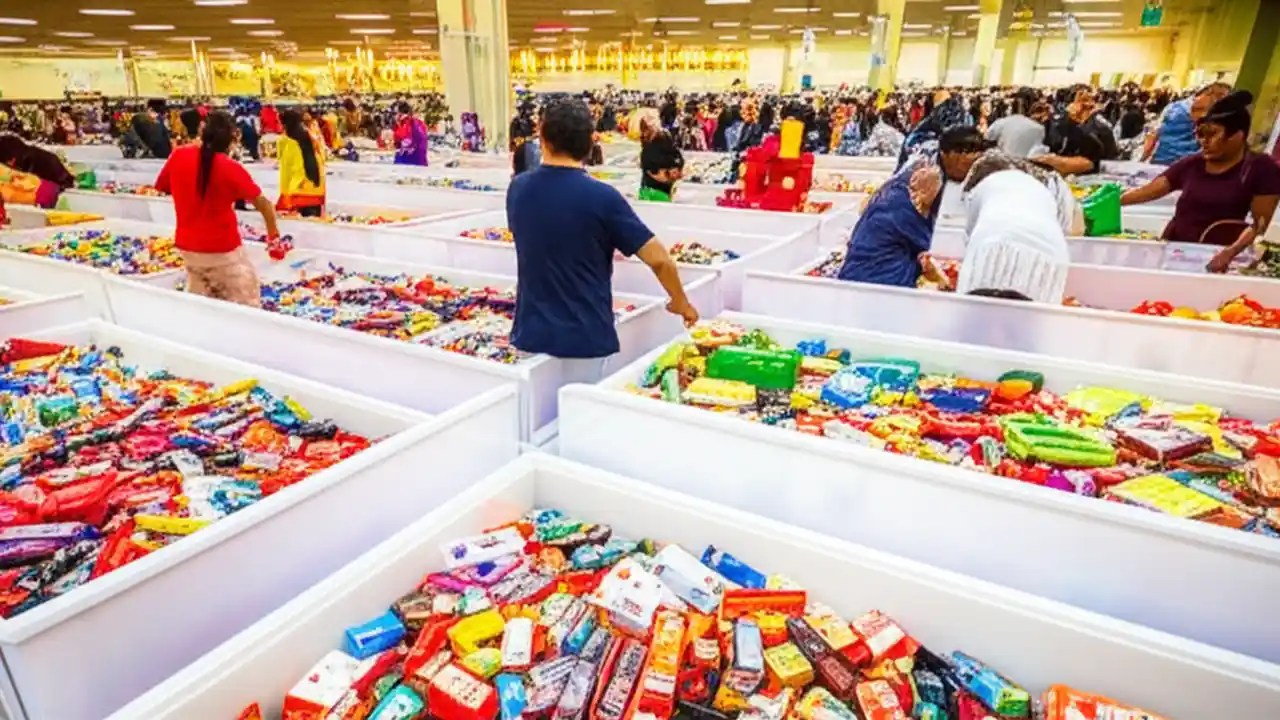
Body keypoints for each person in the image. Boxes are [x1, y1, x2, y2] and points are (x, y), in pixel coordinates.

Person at [506, 97, 698, 383]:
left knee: (536, 422)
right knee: (582, 418)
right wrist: (680, 301)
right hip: (585, 337)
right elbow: (659, 259)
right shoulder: (602, 197)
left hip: (531, 334)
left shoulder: (518, 189)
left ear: (542, 137)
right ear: (590, 141)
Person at [1121, 91, 1280, 272]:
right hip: (1177, 250)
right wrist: (1113, 200)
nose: (1204, 142)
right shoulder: (1193, 163)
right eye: (1201, 134)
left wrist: (1231, 252)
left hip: (1220, 256)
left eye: (1212, 134)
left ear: (1238, 135)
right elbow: (1153, 189)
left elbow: (1260, 224)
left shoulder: (1260, 168)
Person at [154, 111, 281, 307]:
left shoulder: (179, 155)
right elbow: (264, 205)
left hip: (188, 247)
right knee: (246, 306)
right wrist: (274, 238)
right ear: (233, 139)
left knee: (202, 306)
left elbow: (162, 186)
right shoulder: (230, 168)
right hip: (222, 251)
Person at [837, 127, 989, 287]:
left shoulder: (922, 171)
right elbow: (924, 241)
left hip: (869, 271)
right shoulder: (923, 184)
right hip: (876, 282)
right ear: (949, 154)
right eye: (971, 162)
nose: (972, 171)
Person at [955, 153, 1072, 303]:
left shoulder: (980, 188)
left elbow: (969, 236)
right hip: (1050, 256)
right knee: (1036, 321)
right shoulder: (1044, 185)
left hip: (993, 247)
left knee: (974, 313)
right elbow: (1066, 227)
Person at [1145, 83, 1231, 165]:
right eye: (1221, 96)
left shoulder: (1173, 107)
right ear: (1208, 92)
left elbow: (1153, 135)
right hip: (1182, 165)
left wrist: (1144, 157)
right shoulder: (1208, 113)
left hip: (1159, 159)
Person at [276, 109, 326, 218]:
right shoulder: (307, 134)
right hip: (313, 183)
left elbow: (289, 167)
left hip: (298, 187)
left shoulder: (286, 140)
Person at [639, 116, 684, 202]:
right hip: (659, 190)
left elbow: (648, 166)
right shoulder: (660, 142)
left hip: (651, 190)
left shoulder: (650, 147)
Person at [985, 101, 1050, 158]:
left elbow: (988, 136)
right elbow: (1038, 151)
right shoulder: (1040, 129)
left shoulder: (1003, 121)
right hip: (1024, 163)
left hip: (1004, 160)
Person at [393, 102, 428, 166]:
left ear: (400, 113)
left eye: (396, 113)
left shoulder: (406, 123)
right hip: (420, 158)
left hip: (409, 159)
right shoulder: (418, 122)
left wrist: (398, 125)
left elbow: (404, 139)